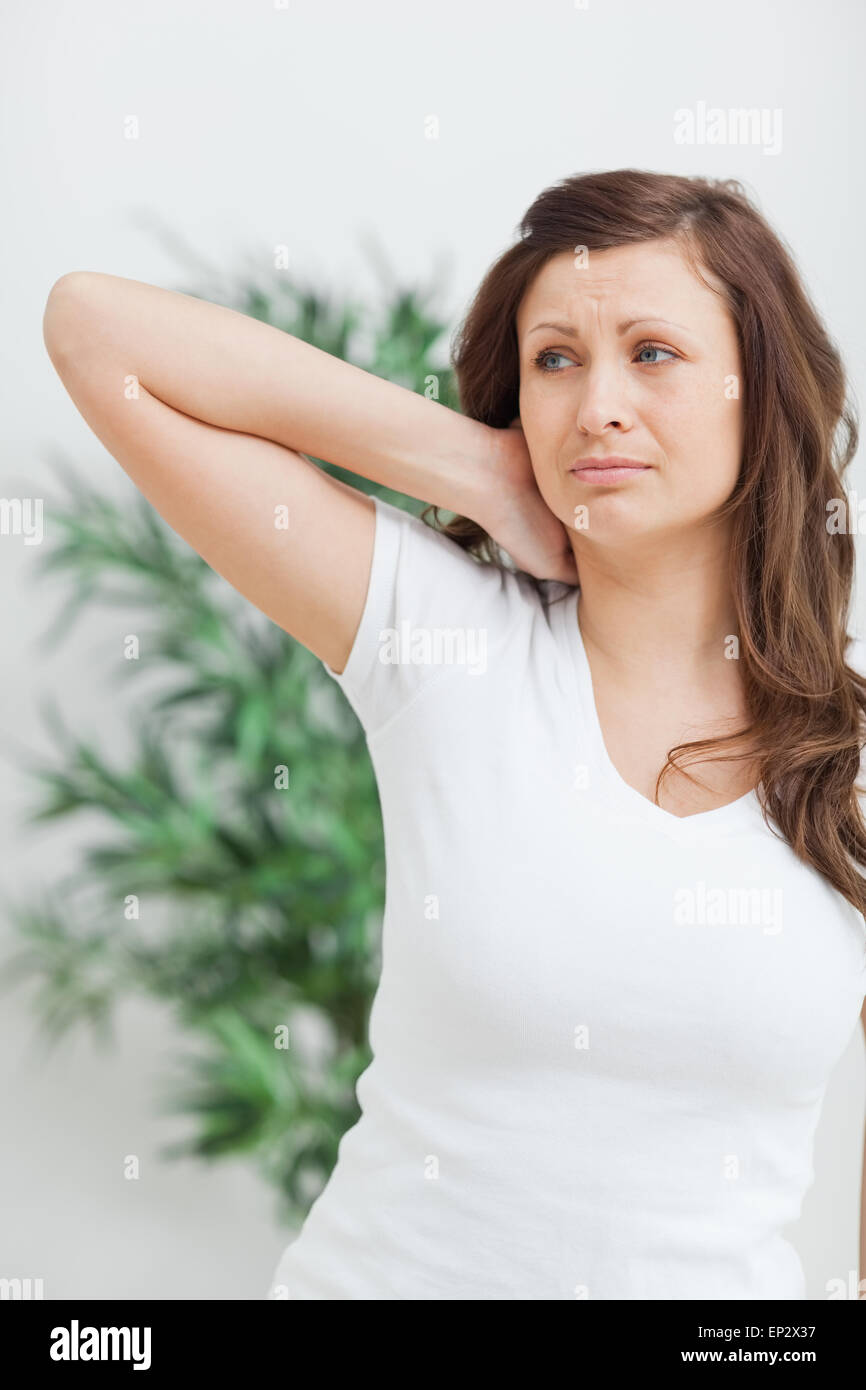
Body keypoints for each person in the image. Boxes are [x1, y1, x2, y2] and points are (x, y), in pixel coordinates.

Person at [42, 169, 866, 1300]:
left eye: (652, 351)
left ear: (755, 386)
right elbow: (95, 330)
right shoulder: (439, 638)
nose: (598, 405)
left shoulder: (847, 761)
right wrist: (477, 469)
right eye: (555, 359)